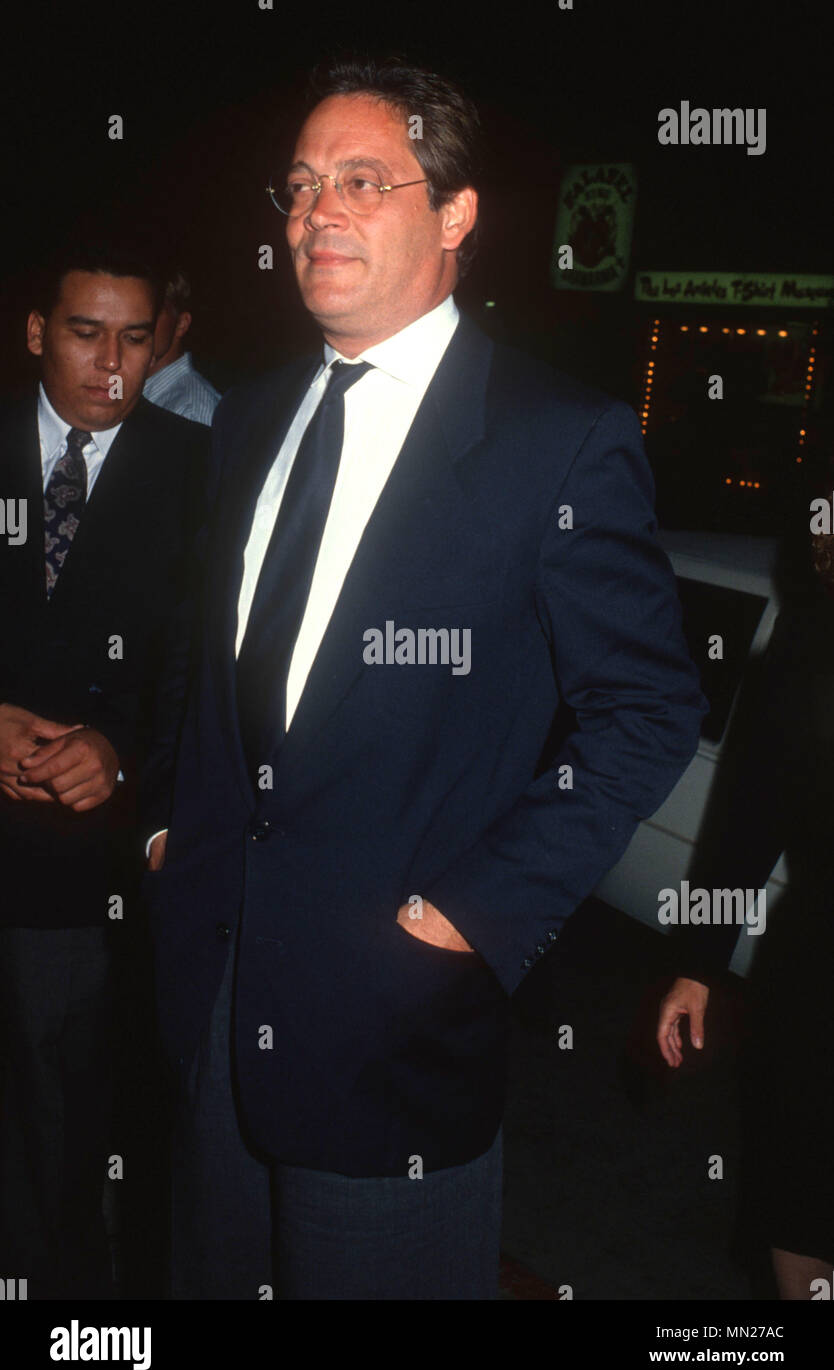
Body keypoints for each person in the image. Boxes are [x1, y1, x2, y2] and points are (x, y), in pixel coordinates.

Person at [143, 55, 706, 1301]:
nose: (313, 215)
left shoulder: (558, 440)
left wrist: (476, 911)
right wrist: (169, 822)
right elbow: (214, 661)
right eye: (297, 188)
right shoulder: (248, 420)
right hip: (213, 1000)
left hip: (392, 1031)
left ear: (454, 216)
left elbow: (651, 705)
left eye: (359, 181)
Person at [0, 242, 209, 1299]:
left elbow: (205, 668)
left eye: (135, 338)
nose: (112, 363)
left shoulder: (198, 469)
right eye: (86, 333)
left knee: (61, 1122)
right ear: (39, 331)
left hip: (80, 880)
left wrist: (119, 750)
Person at [657, 518, 834, 1301]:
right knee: (802, 1207)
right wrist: (696, 969)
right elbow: (743, 830)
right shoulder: (801, 664)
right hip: (817, 985)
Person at [142, 271, 220, 424]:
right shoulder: (127, 393)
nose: (139, 323)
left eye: (152, 312)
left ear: (181, 324)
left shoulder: (190, 411)